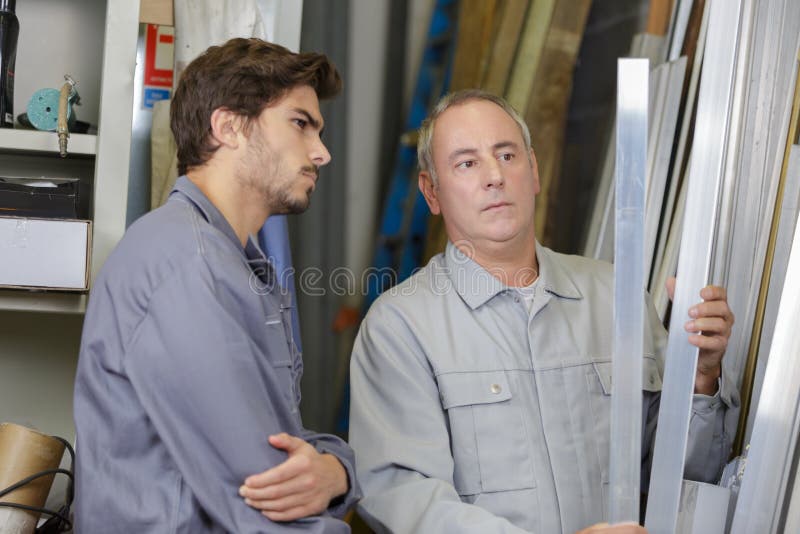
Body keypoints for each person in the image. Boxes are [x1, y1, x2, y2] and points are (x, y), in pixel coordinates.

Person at [348, 89, 739, 534]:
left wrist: (701, 375)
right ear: (431, 192)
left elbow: (682, 476)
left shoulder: (615, 297)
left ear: (533, 170)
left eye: (507, 155)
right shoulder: (400, 327)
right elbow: (408, 501)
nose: (494, 176)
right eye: (467, 163)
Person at [74, 38, 360, 533]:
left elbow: (283, 441)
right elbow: (265, 497)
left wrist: (337, 471)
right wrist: (338, 479)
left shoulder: (230, 261)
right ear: (228, 127)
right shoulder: (187, 263)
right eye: (300, 124)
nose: (321, 152)